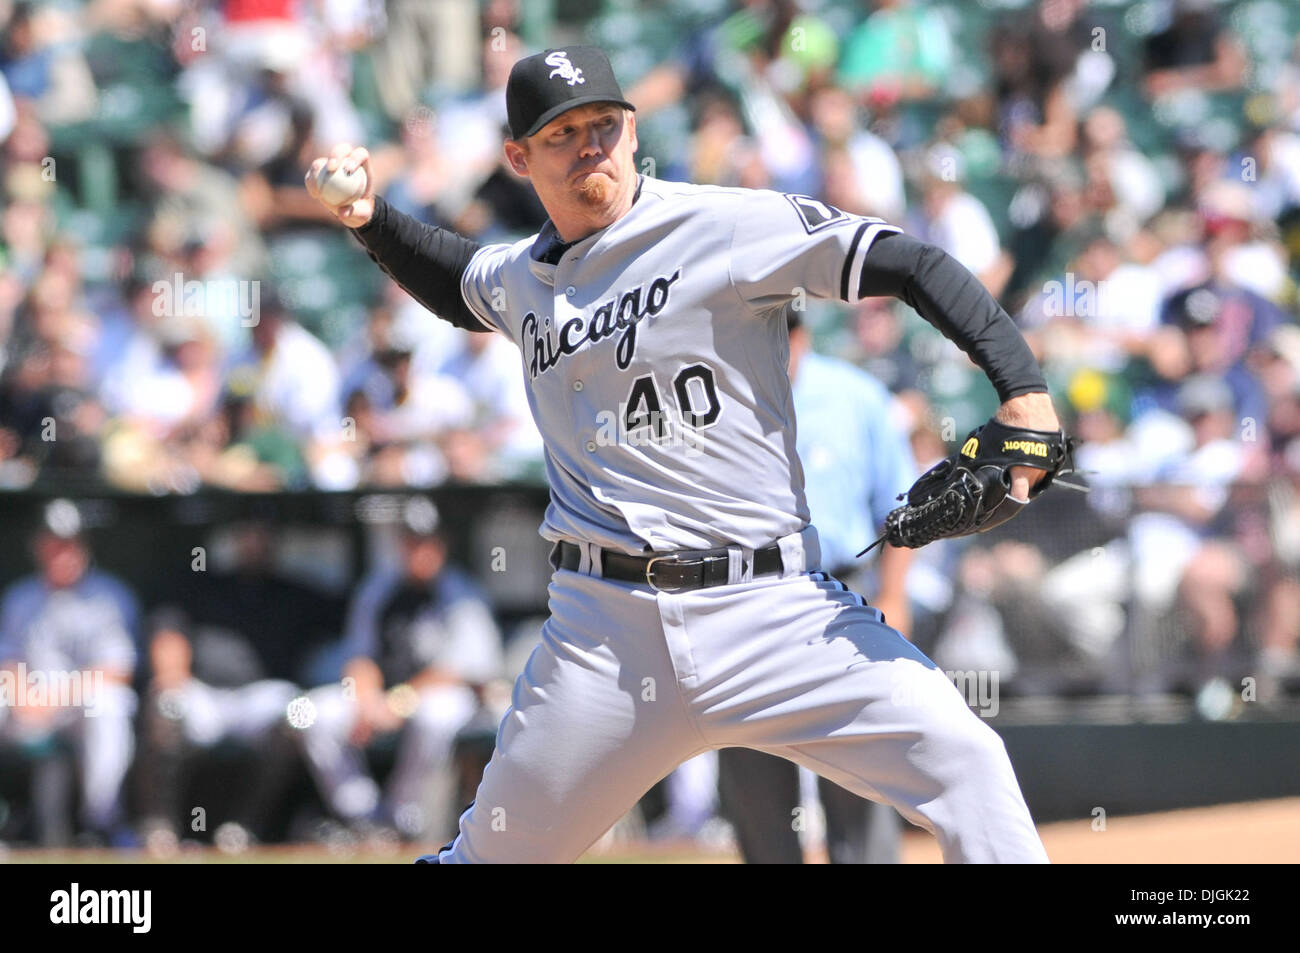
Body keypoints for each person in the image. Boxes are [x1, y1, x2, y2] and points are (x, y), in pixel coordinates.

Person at [308, 46, 1060, 863]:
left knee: (969, 764)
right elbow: (455, 279)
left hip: (776, 612)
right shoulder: (522, 279)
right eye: (563, 135)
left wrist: (1022, 389)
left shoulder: (726, 225)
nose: (591, 145)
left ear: (632, 131)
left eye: (604, 125)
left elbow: (910, 262)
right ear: (519, 157)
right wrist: (368, 218)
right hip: (604, 636)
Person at [716, 311, 917, 863]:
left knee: (861, 774)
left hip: (840, 598)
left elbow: (899, 512)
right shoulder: (715, 396)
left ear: (798, 334)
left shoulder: (857, 396)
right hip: (743, 600)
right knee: (755, 784)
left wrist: (894, 597)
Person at [295, 498, 503, 841]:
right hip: (386, 695)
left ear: (440, 545)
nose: (419, 551)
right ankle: (363, 815)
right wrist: (365, 700)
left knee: (434, 716)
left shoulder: (461, 593)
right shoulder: (379, 590)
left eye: (426, 542)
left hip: (444, 698)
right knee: (309, 714)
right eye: (411, 541)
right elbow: (360, 656)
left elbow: (463, 670)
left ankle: (402, 815)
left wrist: (399, 700)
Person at [0, 499, 138, 846]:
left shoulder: (109, 595)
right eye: (53, 544)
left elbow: (118, 671)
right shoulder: (20, 597)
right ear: (38, 547)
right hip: (28, 706)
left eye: (69, 544)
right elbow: (8, 661)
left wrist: (52, 700)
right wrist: (21, 697)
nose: (61, 553)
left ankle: (101, 821)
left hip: (78, 707)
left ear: (84, 547)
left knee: (108, 704)